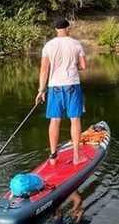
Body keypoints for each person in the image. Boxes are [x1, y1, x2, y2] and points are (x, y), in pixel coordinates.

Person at [35, 18, 87, 166]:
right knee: (75, 119)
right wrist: (73, 66)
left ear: (56, 30)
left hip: (54, 88)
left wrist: (41, 90)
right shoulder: (76, 44)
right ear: (68, 28)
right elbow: (83, 66)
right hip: (72, 85)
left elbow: (44, 70)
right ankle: (77, 157)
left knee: (55, 121)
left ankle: (53, 156)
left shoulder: (48, 46)